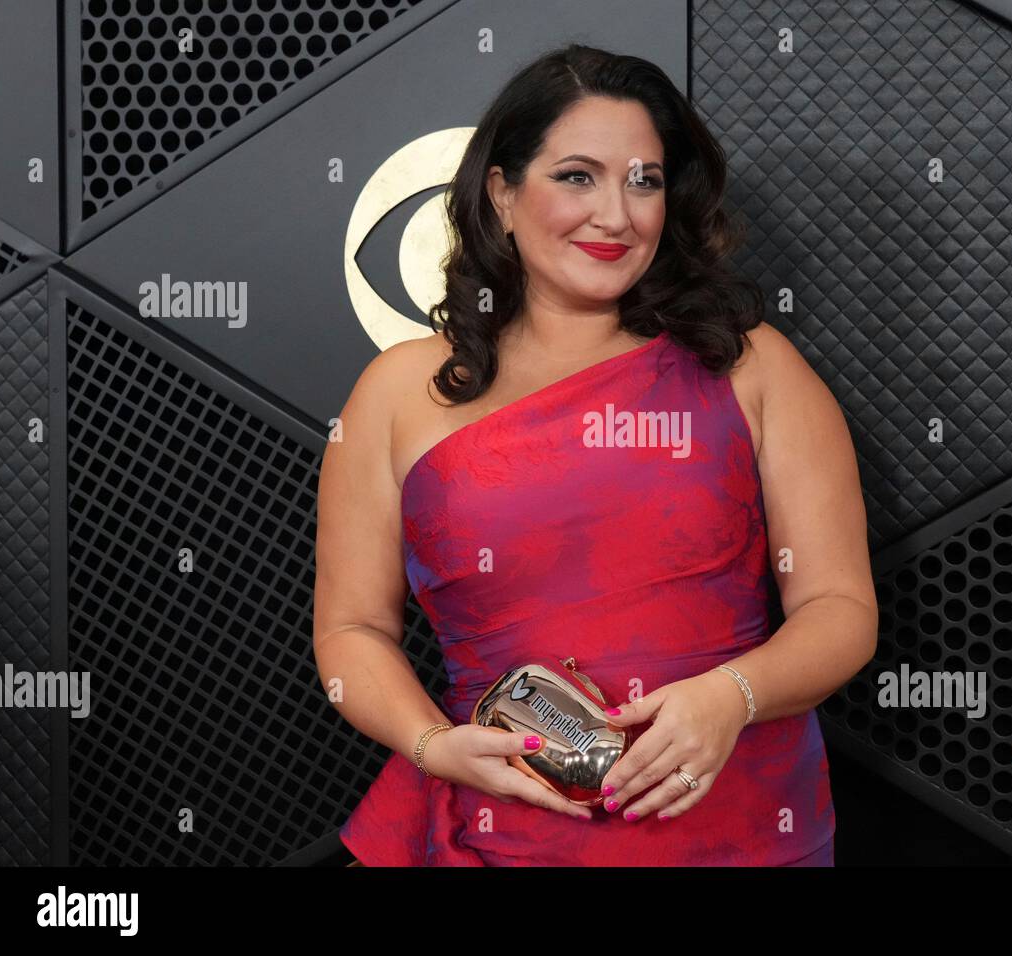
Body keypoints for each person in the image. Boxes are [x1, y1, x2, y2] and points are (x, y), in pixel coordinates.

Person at [313, 43, 877, 866]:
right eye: (577, 176)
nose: (616, 215)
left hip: (740, 824)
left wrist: (732, 697)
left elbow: (841, 610)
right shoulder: (399, 393)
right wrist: (432, 742)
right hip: (508, 833)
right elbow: (352, 628)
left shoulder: (751, 365)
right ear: (502, 194)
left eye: (643, 180)